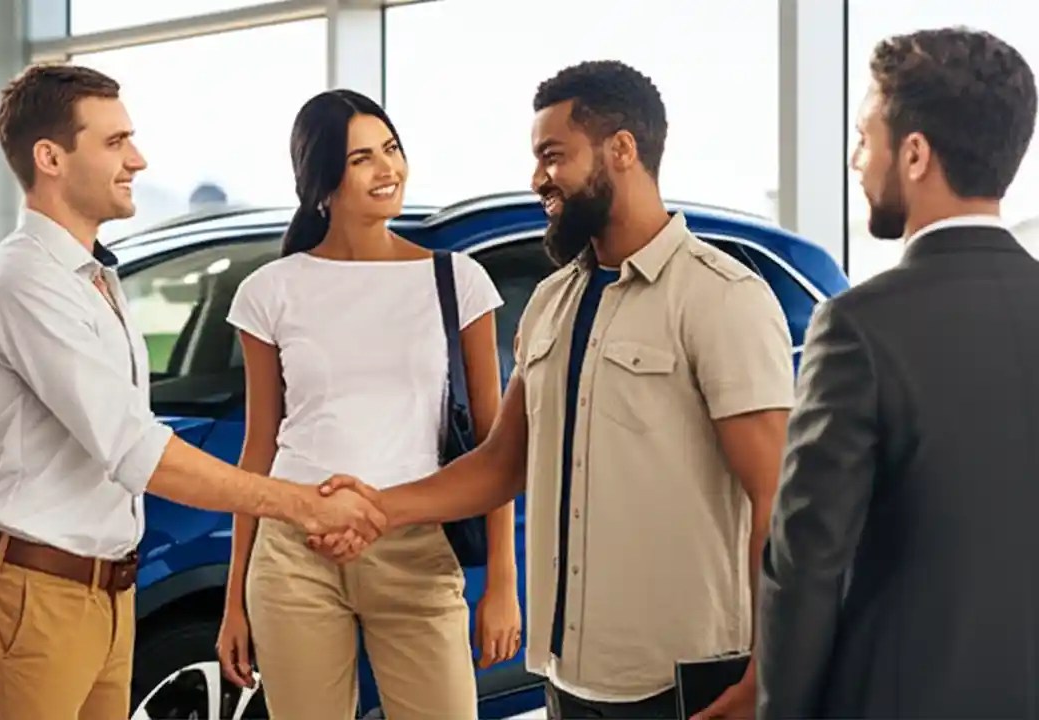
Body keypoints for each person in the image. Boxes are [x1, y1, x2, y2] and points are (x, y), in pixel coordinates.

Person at [317, 60, 795, 719]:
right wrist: (378, 508)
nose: (539, 178)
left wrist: (769, 671)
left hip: (685, 686)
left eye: (553, 156)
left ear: (621, 150)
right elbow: (501, 463)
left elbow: (776, 495)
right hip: (568, 679)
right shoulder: (551, 303)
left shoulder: (721, 300)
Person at [0, 64, 384, 720]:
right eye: (115, 142)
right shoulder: (23, 279)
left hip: (105, 595)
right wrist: (301, 506)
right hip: (34, 599)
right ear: (50, 157)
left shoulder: (95, 277)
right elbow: (131, 448)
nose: (138, 160)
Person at [756, 27, 1039, 719]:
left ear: (914, 153)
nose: (857, 160)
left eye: (864, 135)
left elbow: (807, 566)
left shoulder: (859, 327)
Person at [215, 88, 521, 720]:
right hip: (294, 551)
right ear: (323, 181)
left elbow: (494, 448)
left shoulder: (455, 280)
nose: (388, 170)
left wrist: (503, 583)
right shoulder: (269, 292)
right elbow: (259, 447)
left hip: (416, 546)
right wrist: (234, 597)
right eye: (362, 159)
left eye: (392, 149)